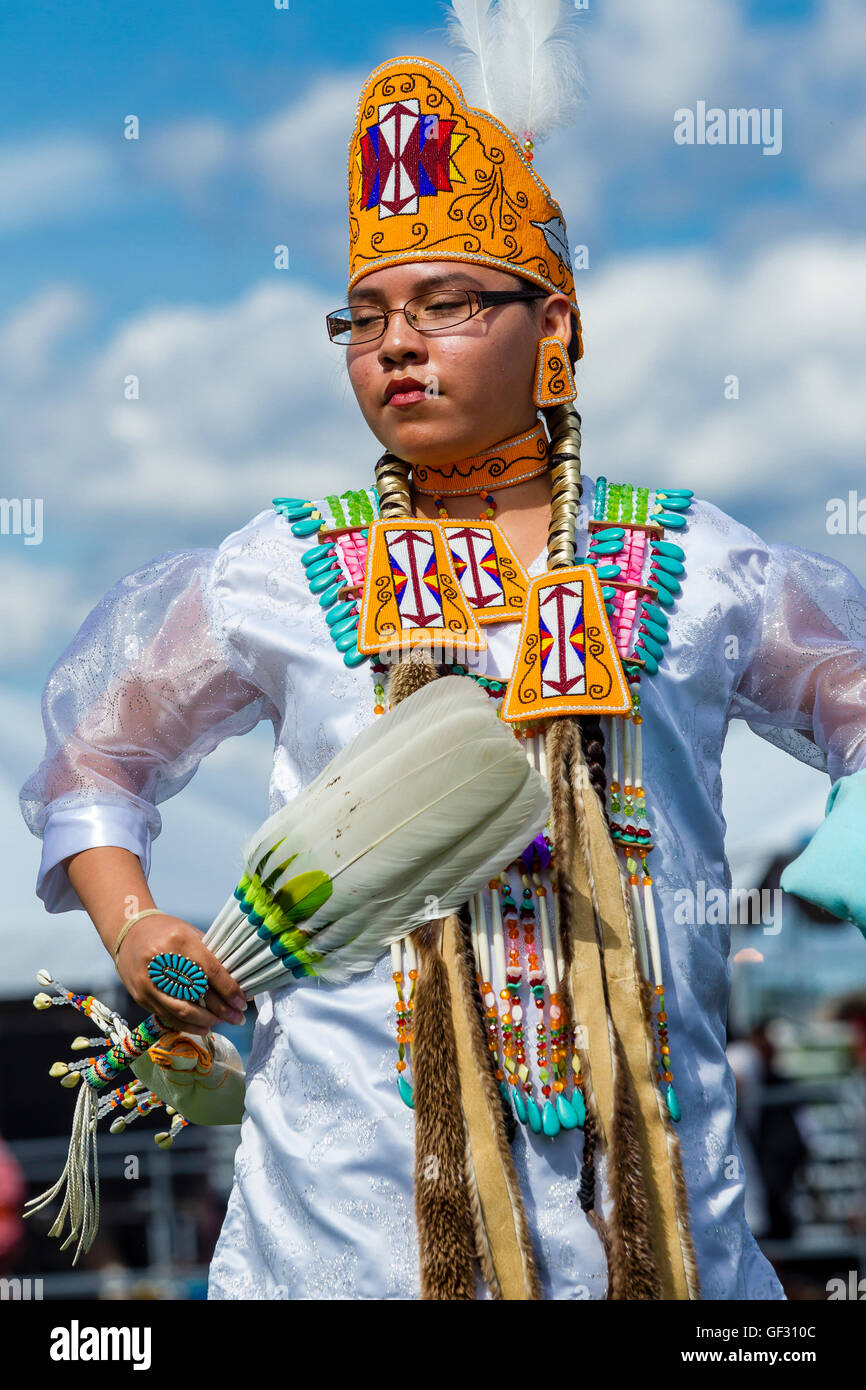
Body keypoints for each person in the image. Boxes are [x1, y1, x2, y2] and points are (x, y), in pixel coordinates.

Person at [20, 19, 866, 1301]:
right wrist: (135, 927)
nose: (396, 343)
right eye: (363, 318)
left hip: (664, 1232)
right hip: (341, 1235)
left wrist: (840, 867)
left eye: (446, 305)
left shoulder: (696, 566)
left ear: (556, 322)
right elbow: (99, 749)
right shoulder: (285, 567)